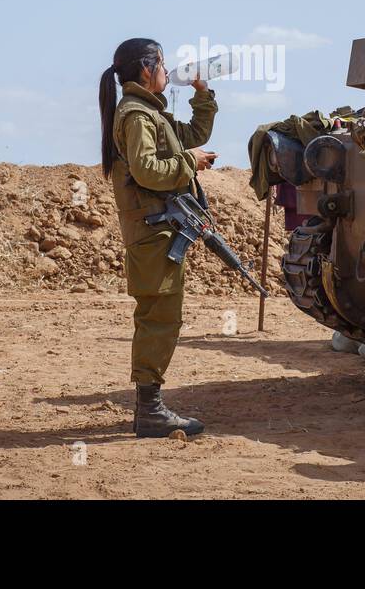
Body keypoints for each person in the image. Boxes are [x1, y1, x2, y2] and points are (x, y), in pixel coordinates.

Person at [99, 38, 217, 437]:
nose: (169, 72)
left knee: (160, 316)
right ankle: (150, 410)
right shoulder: (136, 114)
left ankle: (148, 407)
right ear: (147, 69)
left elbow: (194, 131)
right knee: (159, 317)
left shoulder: (149, 112)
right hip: (152, 232)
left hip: (157, 231)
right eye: (163, 64)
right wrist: (190, 162)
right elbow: (148, 170)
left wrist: (202, 94)